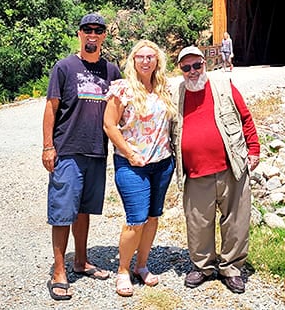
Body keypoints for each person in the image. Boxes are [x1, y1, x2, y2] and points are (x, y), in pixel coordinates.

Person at [42, 13, 122, 301]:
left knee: (84, 209)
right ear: (79, 33)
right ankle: (59, 271)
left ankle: (81, 260)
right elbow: (51, 108)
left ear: (103, 36)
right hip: (68, 149)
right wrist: (48, 146)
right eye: (87, 29)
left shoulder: (111, 71)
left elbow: (122, 107)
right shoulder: (64, 67)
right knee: (63, 210)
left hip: (97, 150)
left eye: (97, 30)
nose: (92, 34)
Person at [172, 46, 260, 294]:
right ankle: (203, 266)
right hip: (196, 173)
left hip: (231, 167)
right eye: (186, 67)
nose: (192, 72)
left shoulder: (223, 86)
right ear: (181, 70)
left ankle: (231, 267)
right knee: (198, 224)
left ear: (204, 64)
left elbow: (246, 118)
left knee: (236, 221)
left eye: (196, 65)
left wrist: (253, 150)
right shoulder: (177, 93)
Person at [103, 40, 176, 297]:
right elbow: (110, 125)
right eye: (141, 57)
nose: (146, 61)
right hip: (132, 164)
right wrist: (129, 153)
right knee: (136, 219)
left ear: (158, 61)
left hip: (162, 163)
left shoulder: (163, 88)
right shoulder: (122, 89)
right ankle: (123, 270)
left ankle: (141, 265)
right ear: (133, 60)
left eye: (151, 57)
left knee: (153, 217)